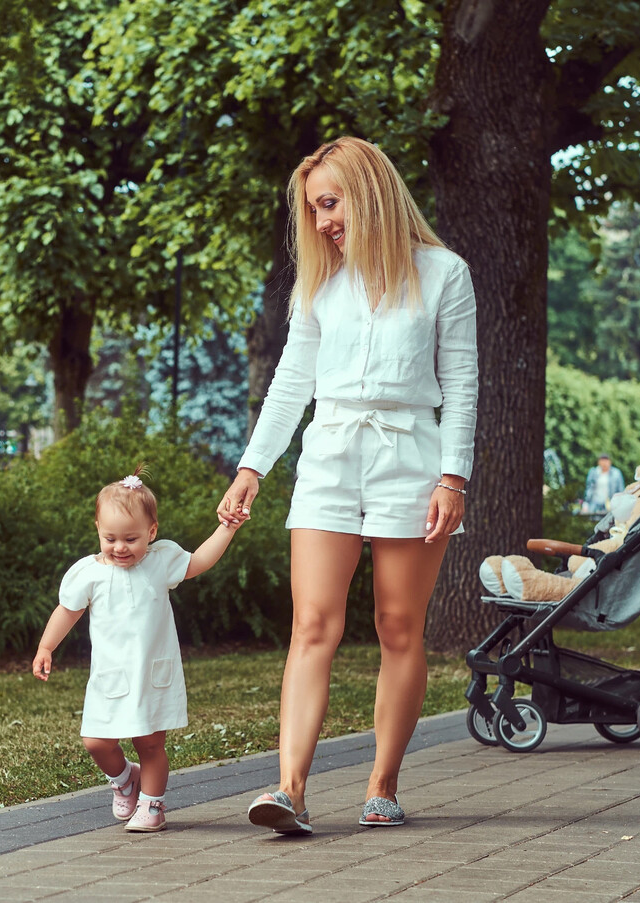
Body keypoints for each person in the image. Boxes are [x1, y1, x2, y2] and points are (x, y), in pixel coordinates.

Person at [218, 137, 478, 834]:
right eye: (315, 210)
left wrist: (453, 477)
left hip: (412, 457)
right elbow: (290, 384)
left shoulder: (445, 273)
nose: (324, 221)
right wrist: (252, 467)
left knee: (398, 625)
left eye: (331, 203)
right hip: (329, 454)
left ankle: (383, 783)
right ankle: (290, 788)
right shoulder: (322, 287)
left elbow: (461, 382)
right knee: (312, 623)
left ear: (370, 191)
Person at [32, 467, 244, 833]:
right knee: (96, 740)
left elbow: (200, 561)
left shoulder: (160, 561)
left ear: (152, 532)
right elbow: (67, 611)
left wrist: (227, 528)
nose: (119, 547)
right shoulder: (89, 573)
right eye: (109, 538)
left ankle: (152, 804)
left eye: (131, 539)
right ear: (98, 529)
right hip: (110, 676)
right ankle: (125, 779)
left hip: (150, 672)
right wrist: (46, 646)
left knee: (150, 743)